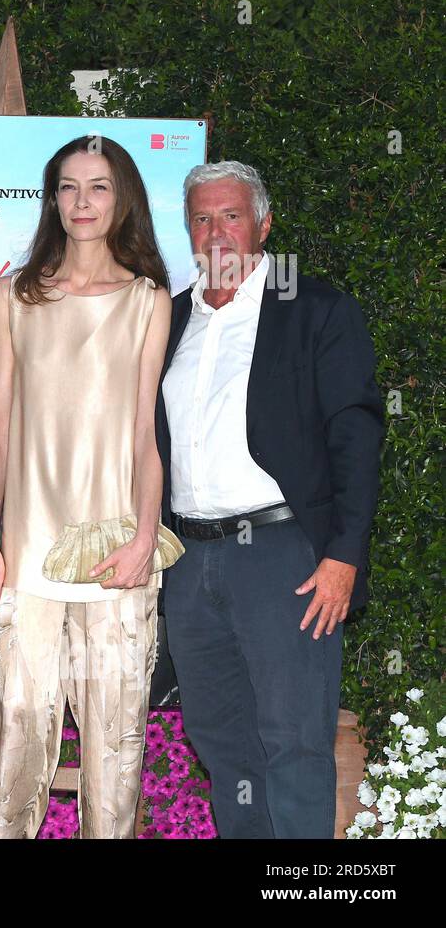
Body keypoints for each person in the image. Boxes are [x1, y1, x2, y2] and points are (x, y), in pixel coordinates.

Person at [156, 161, 383, 838]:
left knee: (295, 742)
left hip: (285, 559)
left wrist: (344, 554)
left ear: (263, 223)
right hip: (189, 564)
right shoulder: (168, 319)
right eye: (202, 218)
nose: (216, 232)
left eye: (231, 215)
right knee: (224, 746)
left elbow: (356, 437)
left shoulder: (314, 309)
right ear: (189, 229)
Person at [0, 136, 173, 839]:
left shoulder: (149, 301)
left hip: (116, 550)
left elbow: (149, 437)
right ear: (52, 198)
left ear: (123, 201)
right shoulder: (14, 295)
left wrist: (146, 538)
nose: (81, 202)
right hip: (28, 550)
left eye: (99, 187)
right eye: (67, 186)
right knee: (19, 723)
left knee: (116, 740)